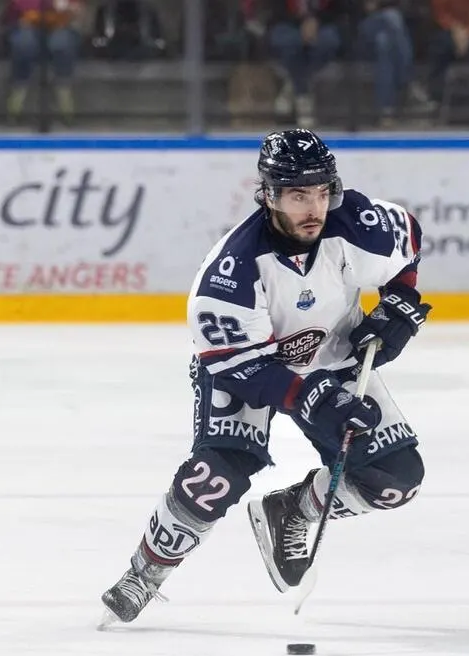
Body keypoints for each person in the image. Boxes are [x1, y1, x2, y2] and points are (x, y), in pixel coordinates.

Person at [100, 128, 431, 624]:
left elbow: (408, 245)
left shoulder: (356, 222)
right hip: (249, 367)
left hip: (331, 357)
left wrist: (397, 304)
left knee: (396, 480)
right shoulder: (230, 274)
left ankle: (296, 509)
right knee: (212, 478)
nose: (315, 208)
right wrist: (307, 396)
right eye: (299, 195)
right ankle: (144, 573)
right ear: (269, 194)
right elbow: (232, 364)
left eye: (322, 192)